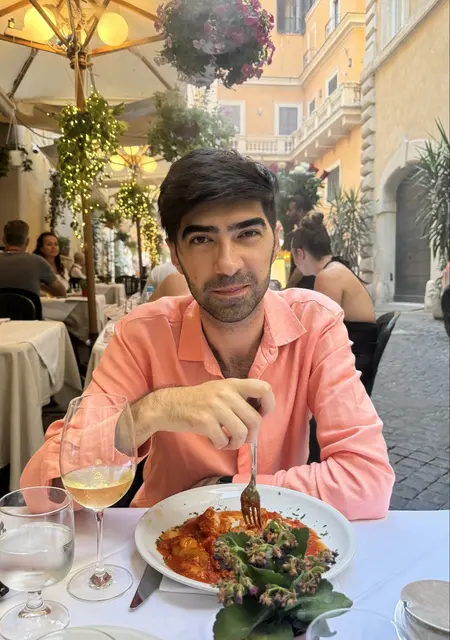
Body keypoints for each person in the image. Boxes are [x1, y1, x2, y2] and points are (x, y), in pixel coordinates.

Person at [21, 149, 394, 521]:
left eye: (248, 233)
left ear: (276, 240)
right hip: (162, 538)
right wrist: (153, 410)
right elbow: (42, 491)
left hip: (274, 541)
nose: (227, 264)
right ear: (176, 255)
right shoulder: (141, 335)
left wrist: (224, 489)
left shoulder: (316, 324)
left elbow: (368, 481)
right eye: (201, 239)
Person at [291, 213, 378, 392]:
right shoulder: (335, 268)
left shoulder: (328, 277)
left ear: (300, 254)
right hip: (354, 355)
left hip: (352, 363)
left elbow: (318, 332)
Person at [0, 221, 67, 298]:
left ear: (4, 240)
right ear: (27, 241)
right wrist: (39, 284)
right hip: (28, 306)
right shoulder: (37, 261)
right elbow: (62, 292)